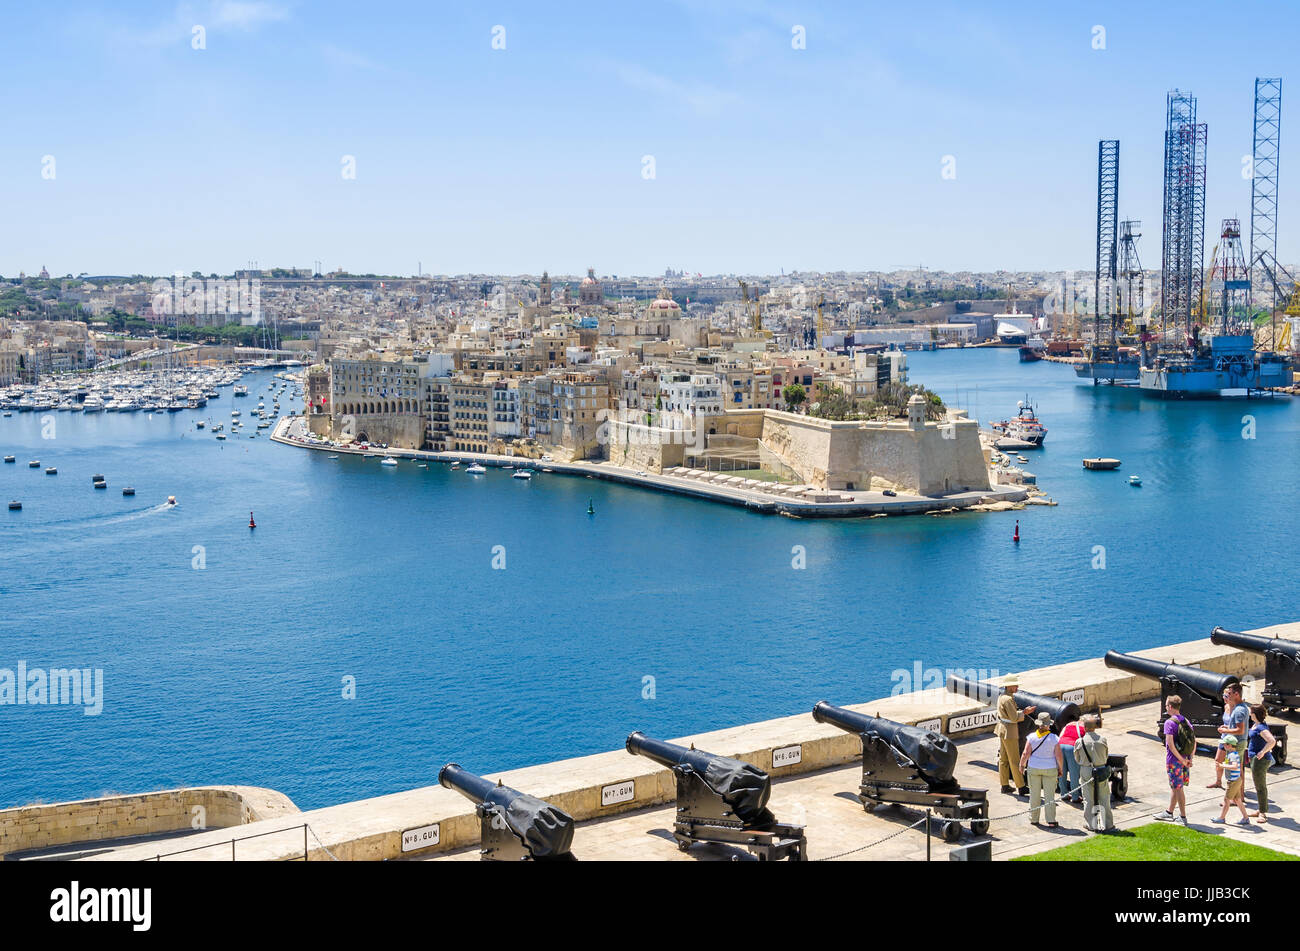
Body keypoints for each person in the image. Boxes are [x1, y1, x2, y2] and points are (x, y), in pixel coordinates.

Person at [1154, 695, 1194, 825]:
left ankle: (1183, 817)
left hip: (1174, 761)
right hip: (1185, 760)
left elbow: (1170, 745)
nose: (1166, 707)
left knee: (1178, 789)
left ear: (1170, 707)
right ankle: (1169, 812)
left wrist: (1181, 760)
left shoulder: (1169, 723)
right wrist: (1189, 759)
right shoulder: (1186, 721)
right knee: (1175, 787)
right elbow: (1194, 742)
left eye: (1166, 705)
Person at [1019, 711, 1063, 827]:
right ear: (1049, 725)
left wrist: (1022, 765)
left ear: (1039, 724)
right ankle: (1051, 820)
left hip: (1034, 767)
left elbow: (1025, 753)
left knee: (1034, 795)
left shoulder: (1032, 737)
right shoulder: (1054, 738)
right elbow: (1058, 756)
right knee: (1049, 796)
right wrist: (1060, 768)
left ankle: (1034, 818)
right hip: (1050, 768)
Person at [995, 675, 1036, 795]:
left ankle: (1004, 785)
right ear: (1009, 686)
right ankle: (1021, 786)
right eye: (1015, 685)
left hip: (1002, 729)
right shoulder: (1008, 699)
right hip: (1009, 731)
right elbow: (1013, 718)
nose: (1017, 687)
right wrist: (1024, 712)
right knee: (1014, 760)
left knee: (1003, 759)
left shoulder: (1002, 697)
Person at [1074, 714, 1113, 832]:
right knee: (1104, 798)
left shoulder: (1079, 741)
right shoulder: (1102, 739)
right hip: (1101, 769)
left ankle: (1091, 824)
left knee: (1088, 798)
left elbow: (1077, 758)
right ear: (1095, 727)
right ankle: (1108, 824)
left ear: (1085, 728)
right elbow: (1106, 756)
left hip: (1086, 770)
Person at [1207, 683, 1250, 789]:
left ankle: (1238, 795)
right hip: (1227, 740)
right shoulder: (1235, 708)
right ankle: (1225, 786)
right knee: (1222, 761)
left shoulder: (1238, 710)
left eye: (1228, 694)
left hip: (1235, 742)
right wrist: (1226, 728)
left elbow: (1240, 730)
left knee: (1236, 768)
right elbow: (1234, 725)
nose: (1226, 697)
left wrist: (1226, 730)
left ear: (1236, 694)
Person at [1246, 704, 1277, 824]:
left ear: (1255, 714)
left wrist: (1263, 752)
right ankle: (1260, 809)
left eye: (1251, 712)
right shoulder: (1257, 725)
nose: (1249, 714)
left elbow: (1272, 741)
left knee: (1260, 787)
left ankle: (1263, 813)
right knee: (1258, 785)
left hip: (1260, 761)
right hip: (1255, 758)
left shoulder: (1260, 728)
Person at [1212, 735, 1251, 826]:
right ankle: (1246, 818)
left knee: (1226, 800)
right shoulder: (1231, 754)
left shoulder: (1232, 755)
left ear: (1229, 745)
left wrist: (1222, 766)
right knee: (1237, 799)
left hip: (1233, 782)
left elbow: (1234, 766)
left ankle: (1221, 818)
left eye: (1224, 744)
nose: (1223, 746)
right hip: (1236, 780)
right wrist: (1223, 764)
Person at [1057, 716, 1086, 803]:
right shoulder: (1084, 726)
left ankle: (1064, 794)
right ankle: (1075, 796)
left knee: (1062, 771)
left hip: (1061, 745)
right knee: (1074, 774)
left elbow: (1060, 736)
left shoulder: (1068, 724)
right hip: (1072, 747)